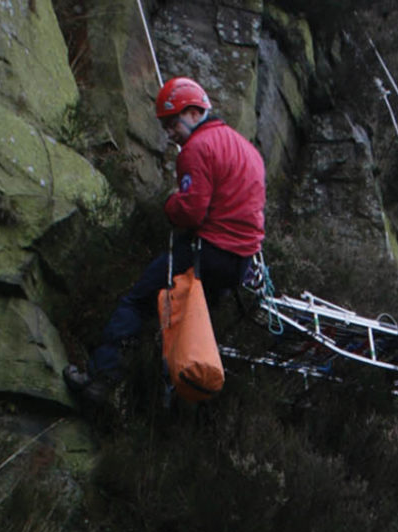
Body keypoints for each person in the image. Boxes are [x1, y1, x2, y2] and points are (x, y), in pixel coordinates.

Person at [67, 76, 266, 406]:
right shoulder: (248, 150)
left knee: (137, 303)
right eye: (164, 126)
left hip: (206, 253)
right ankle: (174, 402)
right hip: (239, 265)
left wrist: (171, 203)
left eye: (172, 123)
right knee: (190, 327)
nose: (169, 133)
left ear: (193, 112)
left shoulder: (197, 149)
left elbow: (191, 212)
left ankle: (101, 380)